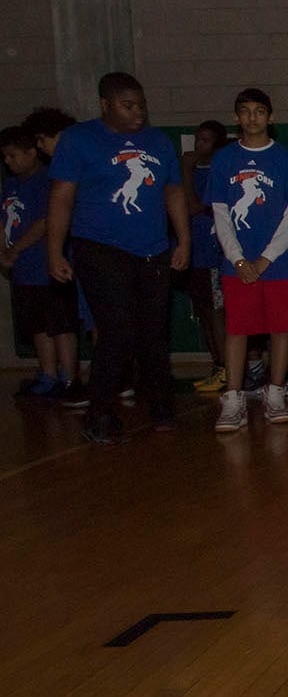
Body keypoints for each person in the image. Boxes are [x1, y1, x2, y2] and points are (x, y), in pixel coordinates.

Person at [44, 72, 189, 443]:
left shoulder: (158, 141)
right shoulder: (79, 141)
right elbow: (61, 197)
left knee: (154, 334)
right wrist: (55, 250)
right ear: (106, 105)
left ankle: (161, 407)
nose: (137, 112)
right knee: (117, 331)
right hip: (100, 247)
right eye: (128, 105)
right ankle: (100, 414)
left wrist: (183, 240)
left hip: (153, 249)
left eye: (141, 104)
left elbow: (174, 192)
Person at [208, 89, 288, 430]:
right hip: (239, 264)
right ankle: (233, 398)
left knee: (281, 329)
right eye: (245, 112)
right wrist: (238, 259)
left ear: (271, 116)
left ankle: (276, 392)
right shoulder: (223, 160)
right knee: (237, 330)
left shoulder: (286, 160)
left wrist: (265, 259)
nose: (253, 117)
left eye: (259, 111)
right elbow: (221, 215)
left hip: (281, 263)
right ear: (236, 117)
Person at [1, 125, 79, 397]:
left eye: (13, 156)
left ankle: (69, 377)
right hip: (24, 271)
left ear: (32, 152)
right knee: (37, 325)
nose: (8, 162)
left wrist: (16, 248)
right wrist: (5, 250)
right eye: (5, 157)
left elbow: (46, 221)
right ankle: (47, 374)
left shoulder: (48, 179)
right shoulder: (10, 184)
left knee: (60, 324)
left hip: (47, 267)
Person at [21, 107, 88, 410]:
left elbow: (54, 216)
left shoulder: (76, 163)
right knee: (89, 317)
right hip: (75, 254)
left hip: (92, 252)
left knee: (98, 318)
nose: (39, 148)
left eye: (41, 140)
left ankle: (99, 380)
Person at [180, 120, 229, 392]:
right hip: (194, 254)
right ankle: (217, 365)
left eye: (206, 141)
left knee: (216, 313)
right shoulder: (195, 170)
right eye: (198, 140)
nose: (199, 146)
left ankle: (227, 367)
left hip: (213, 256)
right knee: (204, 313)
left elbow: (195, 206)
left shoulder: (217, 172)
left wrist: (186, 172)